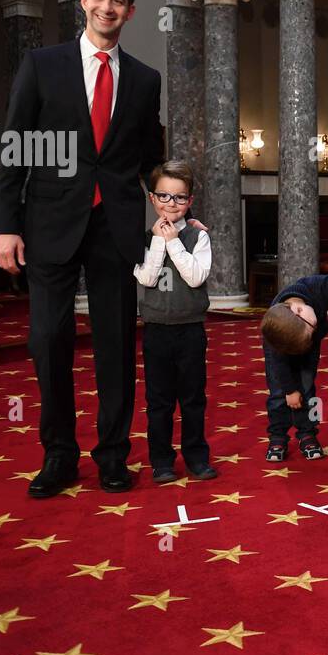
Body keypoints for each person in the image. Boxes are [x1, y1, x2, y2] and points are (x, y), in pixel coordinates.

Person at [0, 0, 164, 498]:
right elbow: (13, 147)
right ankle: (59, 456)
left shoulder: (144, 79)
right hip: (49, 224)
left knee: (114, 347)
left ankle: (113, 456)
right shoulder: (42, 65)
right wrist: (5, 226)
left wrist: (170, 208)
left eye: (118, 1)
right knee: (48, 340)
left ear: (130, 12)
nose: (107, 8)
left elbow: (149, 160)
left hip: (115, 227)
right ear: (84, 2)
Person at [133, 161, 216, 484]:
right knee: (159, 401)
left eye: (180, 198)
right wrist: (158, 241)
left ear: (190, 200)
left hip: (190, 329)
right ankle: (162, 460)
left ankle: (196, 457)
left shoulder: (199, 236)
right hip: (156, 330)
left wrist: (173, 242)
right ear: (153, 199)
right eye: (164, 197)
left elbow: (195, 277)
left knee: (193, 398)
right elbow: (147, 277)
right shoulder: (143, 238)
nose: (172, 204)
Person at [259, 268, 328, 462]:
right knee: (278, 395)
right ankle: (277, 436)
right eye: (312, 328)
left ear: (298, 310)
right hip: (280, 354)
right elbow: (280, 367)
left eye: (313, 328)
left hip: (309, 349)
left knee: (308, 391)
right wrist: (290, 390)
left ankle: (308, 433)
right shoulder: (276, 335)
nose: (314, 328)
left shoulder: (314, 287)